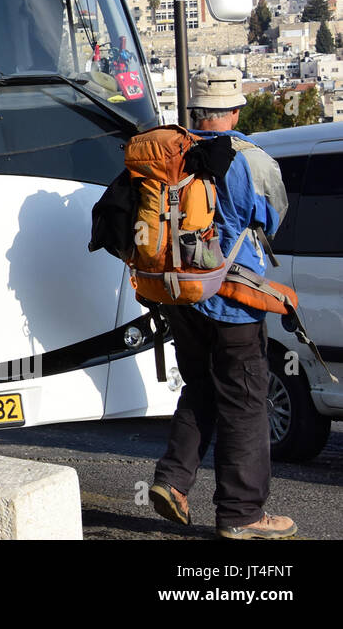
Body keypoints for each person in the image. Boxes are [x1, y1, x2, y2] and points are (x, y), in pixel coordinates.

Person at [148, 67, 295, 539]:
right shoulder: (250, 159)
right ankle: (242, 514)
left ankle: (172, 481)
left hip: (178, 297)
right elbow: (271, 217)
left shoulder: (168, 152)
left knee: (200, 389)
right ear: (234, 110)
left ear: (194, 110)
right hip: (231, 299)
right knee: (247, 403)